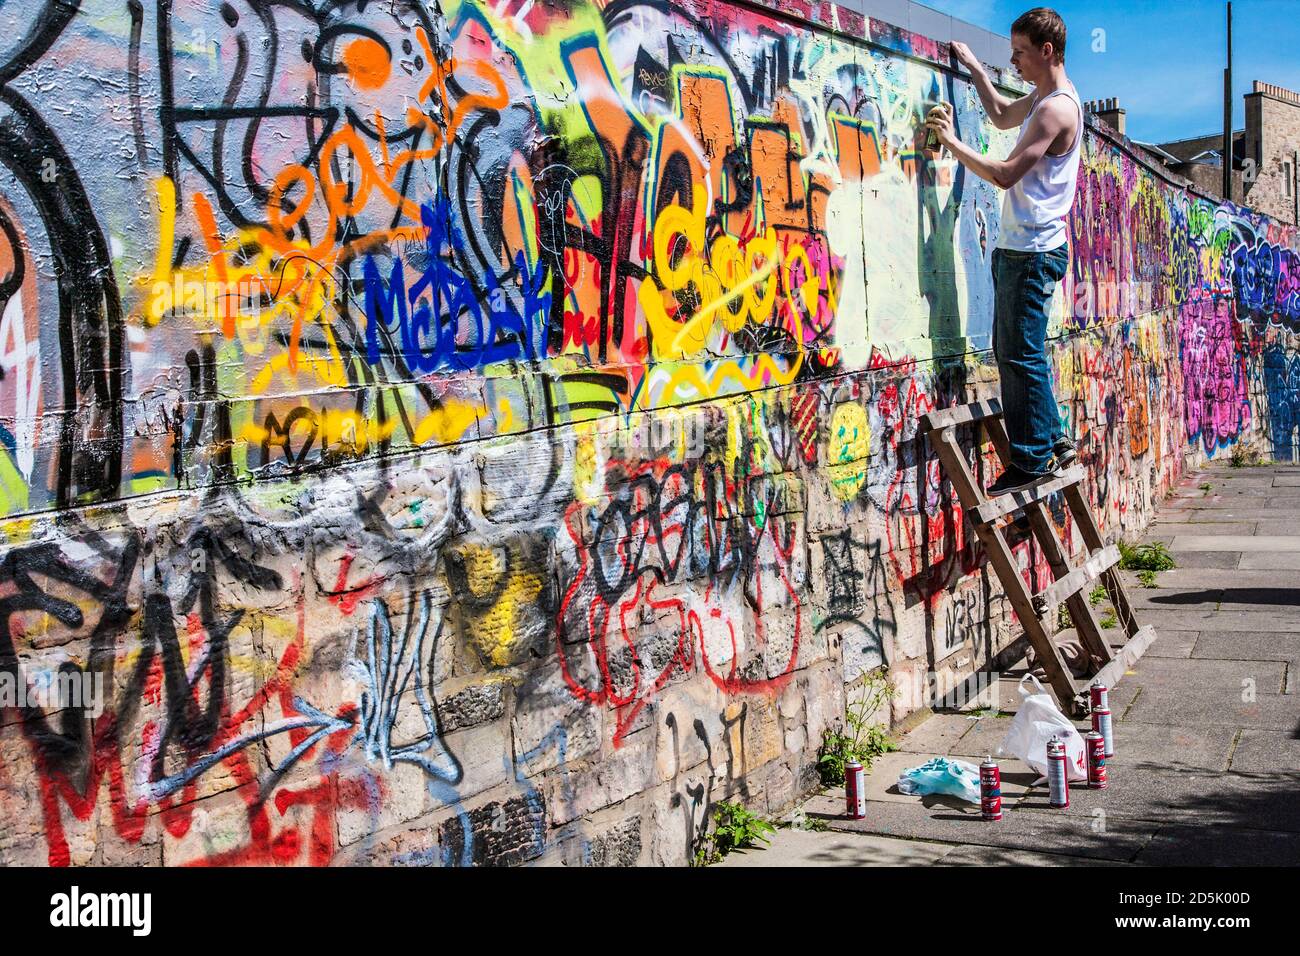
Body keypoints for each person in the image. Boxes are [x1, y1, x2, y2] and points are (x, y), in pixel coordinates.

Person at [925, 7, 1082, 496]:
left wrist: (948, 141)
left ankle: (1033, 459)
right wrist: (973, 67)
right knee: (1020, 352)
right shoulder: (1043, 97)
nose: (1012, 61)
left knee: (1019, 355)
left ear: (1046, 51)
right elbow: (998, 114)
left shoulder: (1057, 109)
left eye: (1019, 53)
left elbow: (1005, 173)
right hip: (1025, 247)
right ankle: (1054, 441)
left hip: (1031, 252)